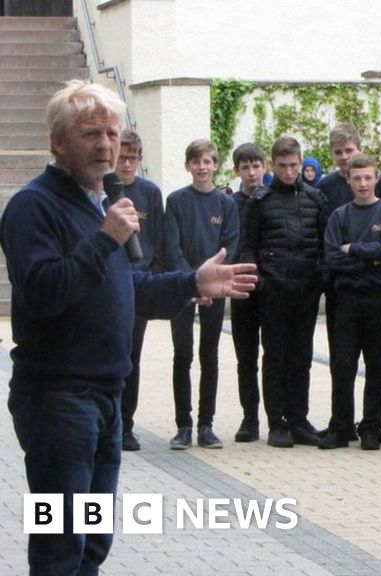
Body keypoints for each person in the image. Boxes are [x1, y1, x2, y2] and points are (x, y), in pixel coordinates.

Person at [1, 79, 255, 576]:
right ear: (58, 142)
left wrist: (191, 281)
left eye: (112, 134)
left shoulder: (100, 205)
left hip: (106, 395)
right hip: (56, 398)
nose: (104, 145)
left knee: (94, 541)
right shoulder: (34, 206)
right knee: (60, 544)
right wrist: (104, 240)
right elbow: (43, 291)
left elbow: (128, 290)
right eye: (90, 133)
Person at [239, 136, 328, 449]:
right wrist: (260, 280)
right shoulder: (260, 200)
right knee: (275, 357)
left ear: (301, 163)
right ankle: (278, 423)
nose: (289, 171)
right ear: (272, 166)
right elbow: (247, 247)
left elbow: (324, 245)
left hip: (306, 290)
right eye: (283, 166)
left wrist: (320, 278)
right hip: (273, 291)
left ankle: (299, 420)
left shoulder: (316, 199)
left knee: (301, 358)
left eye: (294, 165)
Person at [321, 153, 381, 450]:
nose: (363, 183)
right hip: (347, 300)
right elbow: (331, 258)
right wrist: (370, 259)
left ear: (377, 178)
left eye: (368, 177)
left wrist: (352, 248)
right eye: (357, 178)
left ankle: (371, 427)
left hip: (380, 299)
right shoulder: (339, 216)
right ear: (349, 180)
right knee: (343, 365)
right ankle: (341, 427)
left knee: (378, 365)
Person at [163, 139, 240, 450]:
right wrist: (191, 283)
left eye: (207, 161)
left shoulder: (226, 204)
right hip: (182, 288)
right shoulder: (176, 200)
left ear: (215, 165)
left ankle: (206, 425)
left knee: (210, 356)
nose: (202, 167)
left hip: (214, 289)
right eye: (196, 161)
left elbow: (229, 246)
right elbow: (172, 246)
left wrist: (210, 283)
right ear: (188, 166)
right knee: (182, 355)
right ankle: (184, 425)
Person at [116, 128, 165, 452]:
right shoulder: (106, 189)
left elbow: (157, 240)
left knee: (132, 358)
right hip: (110, 285)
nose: (127, 164)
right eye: (122, 158)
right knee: (111, 356)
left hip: (141, 283)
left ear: (140, 159)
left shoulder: (149, 192)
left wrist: (157, 278)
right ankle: (110, 422)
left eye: (132, 158)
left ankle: (127, 425)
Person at [229, 142, 268, 442]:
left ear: (265, 167)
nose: (252, 172)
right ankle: (249, 417)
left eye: (256, 166)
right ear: (237, 171)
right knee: (246, 357)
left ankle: (278, 416)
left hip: (271, 288)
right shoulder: (231, 204)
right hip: (241, 287)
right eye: (246, 167)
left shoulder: (271, 199)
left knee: (275, 356)